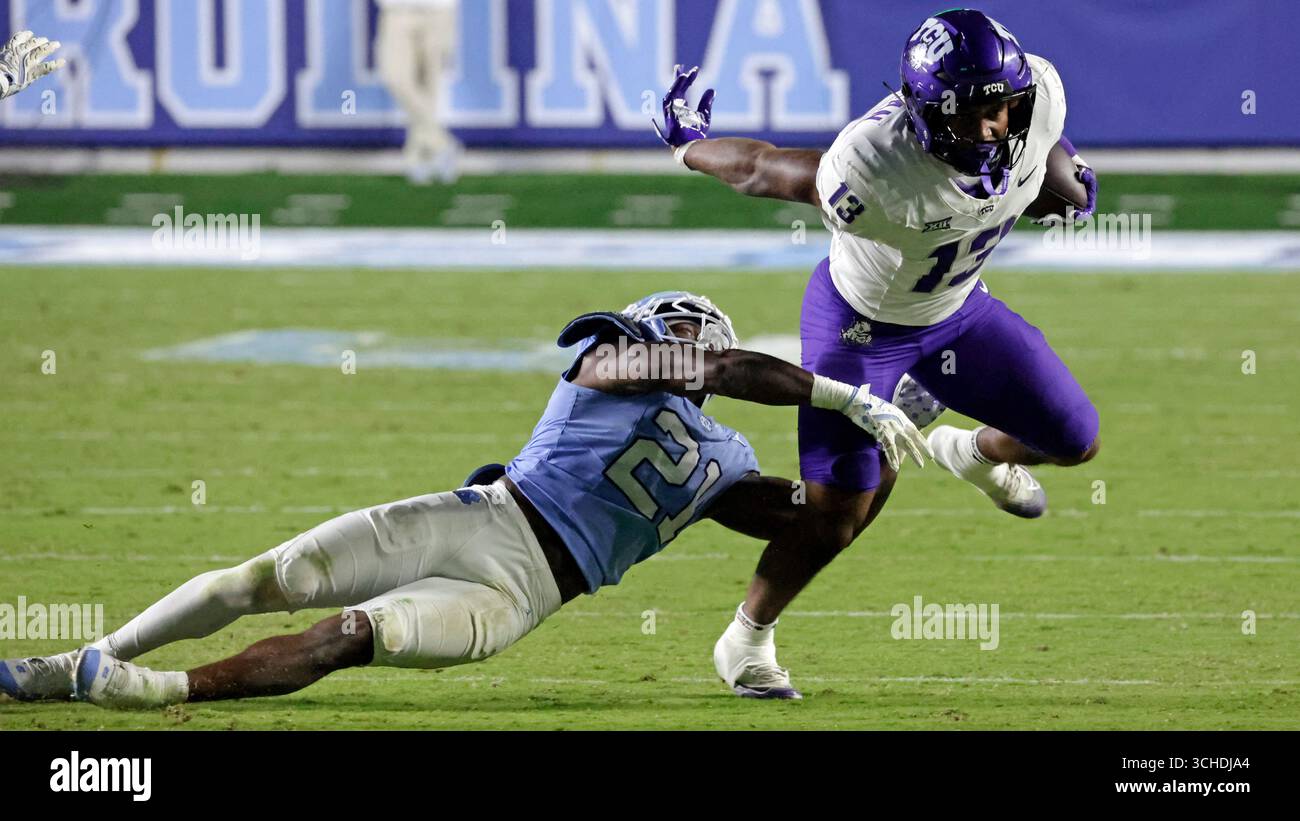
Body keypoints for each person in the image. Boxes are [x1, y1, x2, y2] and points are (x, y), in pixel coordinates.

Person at [1, 292, 927, 708]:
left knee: (354, 635)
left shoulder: (724, 456)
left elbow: (820, 520)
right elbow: (723, 366)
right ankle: (84, 658)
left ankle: (159, 689)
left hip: (520, 593)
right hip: (479, 513)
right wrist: (843, 395)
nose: (679, 342)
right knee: (265, 576)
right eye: (669, 330)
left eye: (686, 330)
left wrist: (895, 440)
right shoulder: (610, 360)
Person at [652, 8, 1101, 698]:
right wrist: (686, 147)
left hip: (959, 309)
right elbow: (766, 171)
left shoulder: (1036, 93)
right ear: (923, 116)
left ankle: (973, 452)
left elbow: (1039, 144)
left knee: (1074, 438)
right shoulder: (871, 165)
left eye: (1004, 108)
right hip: (861, 325)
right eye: (974, 114)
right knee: (842, 506)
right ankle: (746, 638)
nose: (994, 128)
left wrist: (1055, 174)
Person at [376, 0, 461, 184]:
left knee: (429, 86)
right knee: (395, 77)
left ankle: (419, 157)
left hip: (438, 11)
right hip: (396, 10)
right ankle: (441, 142)